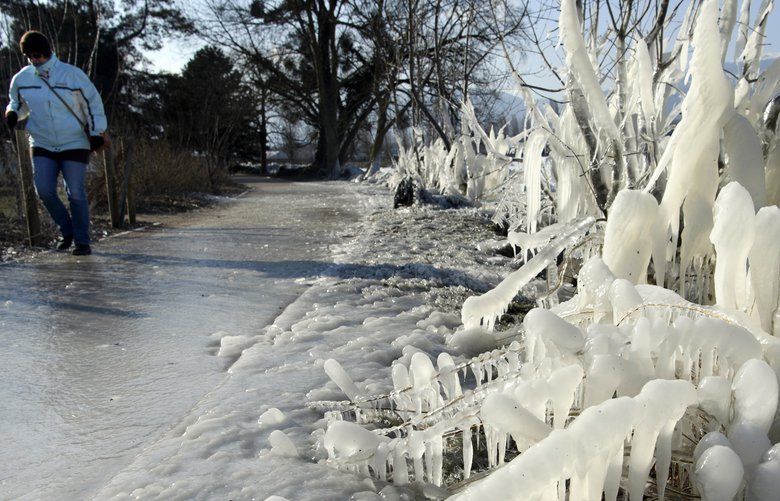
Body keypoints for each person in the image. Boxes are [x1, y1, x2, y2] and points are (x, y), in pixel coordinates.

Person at [4, 30, 108, 256]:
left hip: (74, 141)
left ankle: (82, 241)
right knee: (44, 189)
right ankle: (67, 229)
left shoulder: (72, 75)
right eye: (31, 56)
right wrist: (12, 113)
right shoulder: (22, 79)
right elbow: (17, 104)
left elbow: (92, 103)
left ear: (49, 52)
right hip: (42, 141)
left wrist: (97, 131)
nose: (36, 60)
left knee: (76, 193)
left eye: (39, 55)